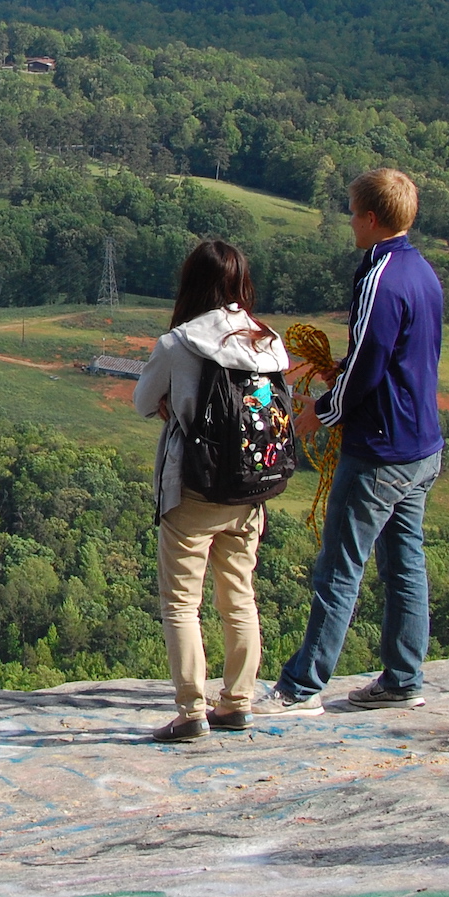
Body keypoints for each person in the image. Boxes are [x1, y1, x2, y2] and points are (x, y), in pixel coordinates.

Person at [255, 167, 444, 717]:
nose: (350, 223)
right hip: (420, 444)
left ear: (370, 218)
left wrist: (322, 412)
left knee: (339, 568)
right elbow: (402, 358)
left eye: (353, 213)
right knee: (405, 564)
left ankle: (300, 687)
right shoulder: (422, 272)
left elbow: (365, 367)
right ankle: (403, 679)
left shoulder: (379, 279)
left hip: (379, 451)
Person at [133, 240, 292, 743]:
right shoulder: (268, 341)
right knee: (238, 597)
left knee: (182, 602)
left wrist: (171, 404)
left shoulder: (178, 343)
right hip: (249, 491)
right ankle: (238, 702)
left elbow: (142, 402)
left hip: (193, 490)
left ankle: (190, 711)